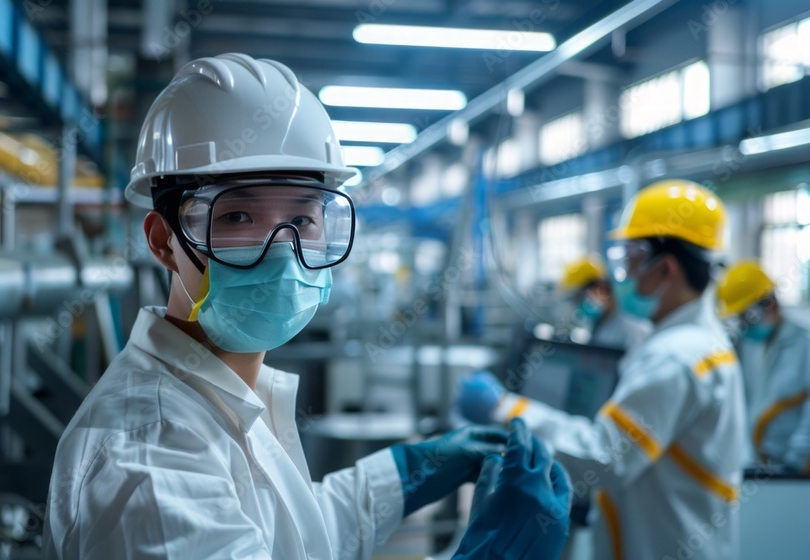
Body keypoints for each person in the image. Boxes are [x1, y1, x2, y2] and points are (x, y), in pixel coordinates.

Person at [42, 53, 571, 560]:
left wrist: (411, 469)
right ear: (163, 241)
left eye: (302, 220)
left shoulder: (217, 395)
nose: (282, 252)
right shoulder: (151, 456)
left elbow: (291, 537)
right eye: (237, 217)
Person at [457, 179, 747, 560]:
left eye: (631, 261)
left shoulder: (676, 357)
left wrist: (504, 409)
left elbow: (607, 457)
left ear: (665, 269)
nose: (623, 275)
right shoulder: (695, 343)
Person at [716, 260, 810, 473]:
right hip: (755, 462)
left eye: (747, 316)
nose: (743, 325)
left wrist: (796, 461)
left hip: (794, 469)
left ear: (772, 305)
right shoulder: (749, 346)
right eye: (739, 318)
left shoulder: (805, 344)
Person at [557, 255, 651, 350]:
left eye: (580, 297)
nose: (579, 304)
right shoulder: (599, 326)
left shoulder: (633, 330)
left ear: (601, 288)